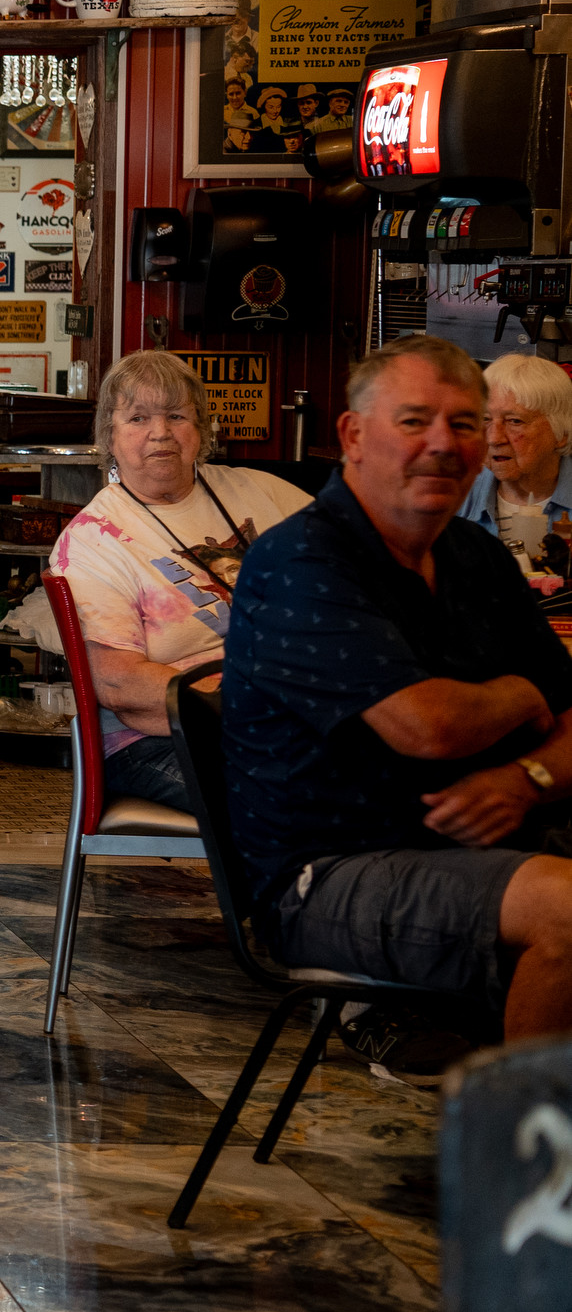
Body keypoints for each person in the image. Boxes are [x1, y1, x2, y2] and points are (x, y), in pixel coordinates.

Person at [221, 336, 572, 1039]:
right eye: (414, 421)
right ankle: (525, 1144)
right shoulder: (300, 559)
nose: (442, 443)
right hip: (328, 878)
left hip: (488, 846)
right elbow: (428, 725)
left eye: (464, 423)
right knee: (567, 912)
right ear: (353, 435)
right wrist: (528, 693)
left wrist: (527, 779)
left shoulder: (473, 554)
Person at [47, 350, 311, 810]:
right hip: (157, 739)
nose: (160, 433)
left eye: (176, 415)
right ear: (109, 435)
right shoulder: (93, 540)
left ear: (202, 429)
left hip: (296, 715)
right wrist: (249, 704)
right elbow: (118, 684)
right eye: (138, 418)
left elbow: (357, 562)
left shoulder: (262, 491)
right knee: (301, 796)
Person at [458, 351, 572, 575]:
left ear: (561, 433)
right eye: (485, 419)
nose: (494, 438)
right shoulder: (454, 495)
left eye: (514, 421)